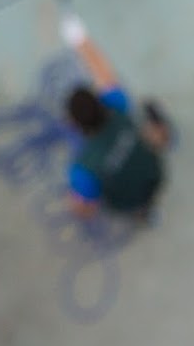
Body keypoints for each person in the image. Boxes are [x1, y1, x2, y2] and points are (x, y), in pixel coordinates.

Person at [60, 15, 172, 219]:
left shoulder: (82, 169)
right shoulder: (118, 105)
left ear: (75, 125)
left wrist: (74, 202)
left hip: (124, 202)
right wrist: (79, 38)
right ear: (99, 102)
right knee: (149, 116)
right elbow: (102, 70)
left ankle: (141, 213)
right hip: (154, 176)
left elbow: (85, 209)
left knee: (123, 201)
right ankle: (148, 208)